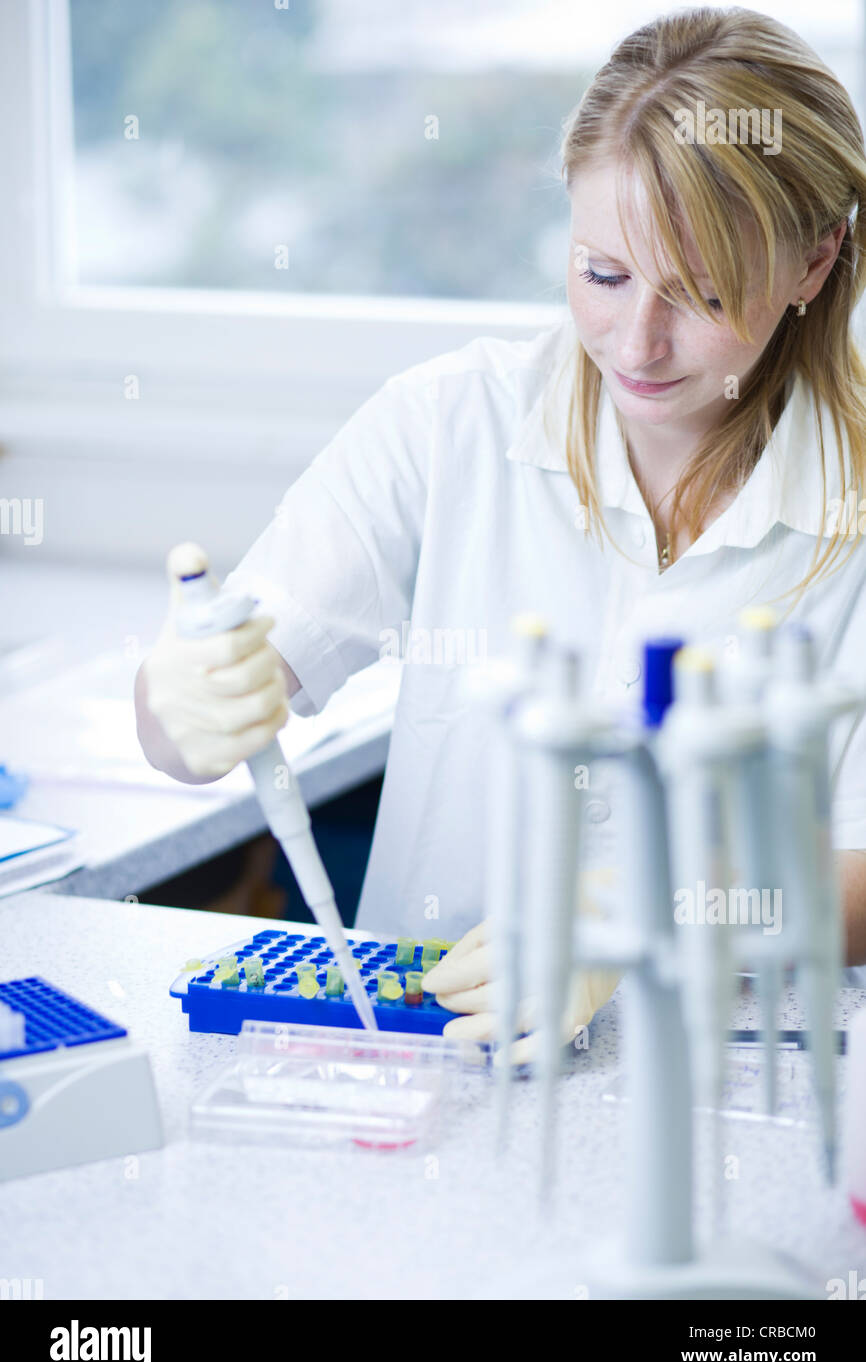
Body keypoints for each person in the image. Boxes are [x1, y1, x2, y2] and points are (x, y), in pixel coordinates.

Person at [136, 7, 866, 1044]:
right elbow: (197, 724)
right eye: (601, 274)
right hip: (428, 1058)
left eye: (701, 293)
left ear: (812, 262)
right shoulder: (445, 425)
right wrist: (177, 704)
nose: (637, 343)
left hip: (737, 1090)